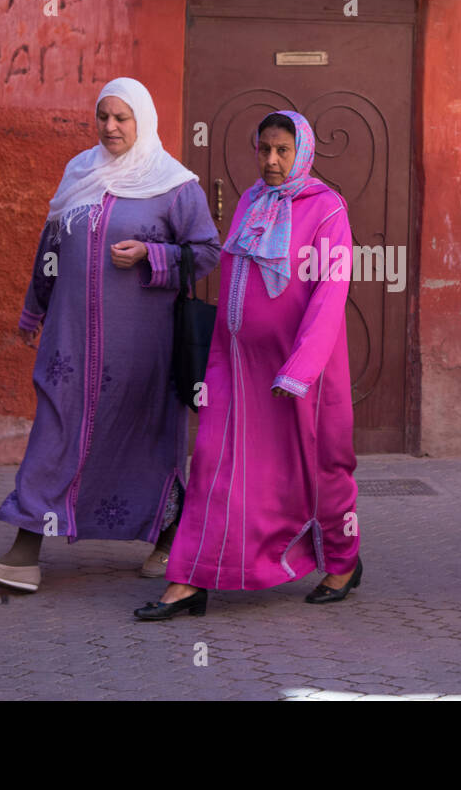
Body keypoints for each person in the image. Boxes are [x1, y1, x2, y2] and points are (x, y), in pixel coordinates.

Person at [0, 77, 220, 592]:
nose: (110, 127)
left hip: (142, 347)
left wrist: (154, 255)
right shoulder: (80, 172)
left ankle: (169, 535)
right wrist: (34, 308)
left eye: (121, 118)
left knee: (143, 441)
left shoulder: (174, 184)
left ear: (142, 121)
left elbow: (208, 251)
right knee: (55, 433)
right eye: (103, 116)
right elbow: (51, 244)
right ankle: (23, 555)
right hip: (71, 342)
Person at [135, 110, 360, 620]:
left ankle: (343, 560)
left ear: (303, 151)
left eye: (282, 150)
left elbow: (330, 295)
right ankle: (190, 578)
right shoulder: (250, 201)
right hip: (236, 366)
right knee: (213, 461)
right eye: (264, 150)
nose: (272, 161)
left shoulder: (328, 210)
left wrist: (299, 370)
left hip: (301, 373)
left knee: (321, 465)